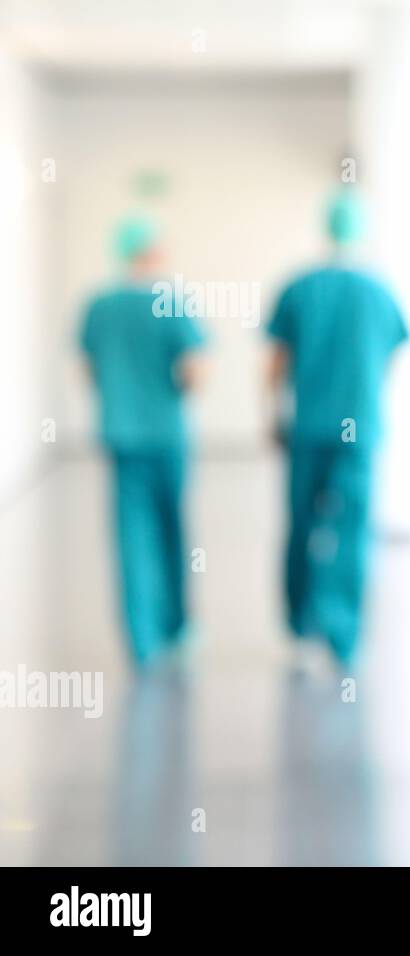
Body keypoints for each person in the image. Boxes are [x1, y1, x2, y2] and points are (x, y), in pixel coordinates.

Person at [266, 189, 409, 669]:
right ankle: (342, 637)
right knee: (351, 529)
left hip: (308, 427)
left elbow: (276, 364)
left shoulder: (299, 288)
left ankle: (301, 629)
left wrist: (270, 415)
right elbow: (387, 360)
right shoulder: (379, 293)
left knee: (302, 523)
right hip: (359, 428)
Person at [81, 214, 206, 667]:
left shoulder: (99, 305)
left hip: (122, 434)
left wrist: (120, 397)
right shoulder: (169, 302)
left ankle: (142, 640)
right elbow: (194, 370)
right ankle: (176, 627)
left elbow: (90, 370)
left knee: (131, 535)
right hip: (167, 435)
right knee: (172, 528)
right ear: (152, 250)